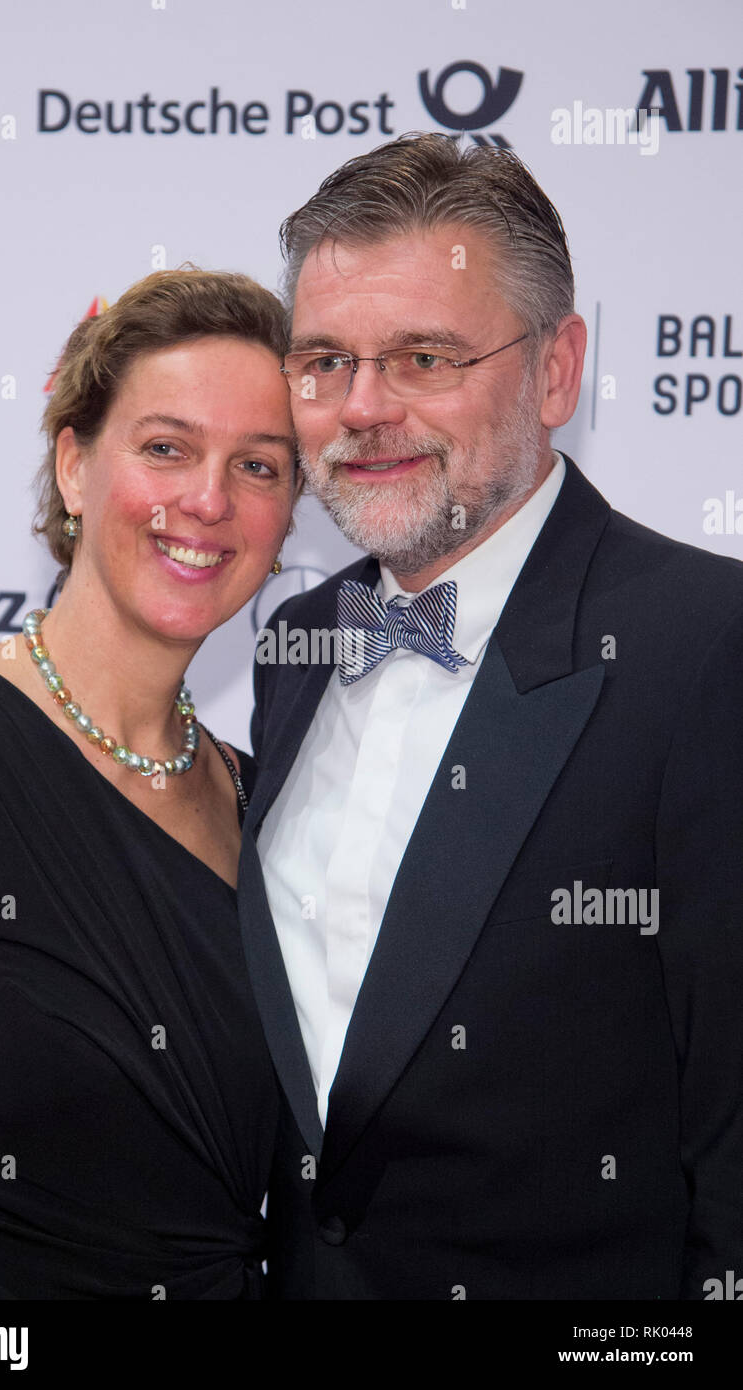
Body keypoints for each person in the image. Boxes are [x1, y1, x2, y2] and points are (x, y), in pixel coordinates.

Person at [238, 134, 743, 1300]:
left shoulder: (702, 645)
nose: (361, 409)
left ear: (556, 369)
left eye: (423, 356)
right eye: (322, 361)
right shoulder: (290, 646)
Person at [0, 268, 299, 1298]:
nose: (208, 499)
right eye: (166, 448)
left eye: (259, 465)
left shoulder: (264, 803)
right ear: (74, 466)